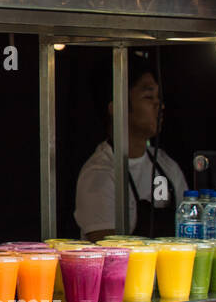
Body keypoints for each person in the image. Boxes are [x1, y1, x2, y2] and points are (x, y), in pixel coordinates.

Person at [74, 55, 189, 241]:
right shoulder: (100, 174)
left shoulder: (166, 165)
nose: (158, 105)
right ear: (116, 107)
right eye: (148, 97)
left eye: (158, 97)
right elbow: (108, 255)